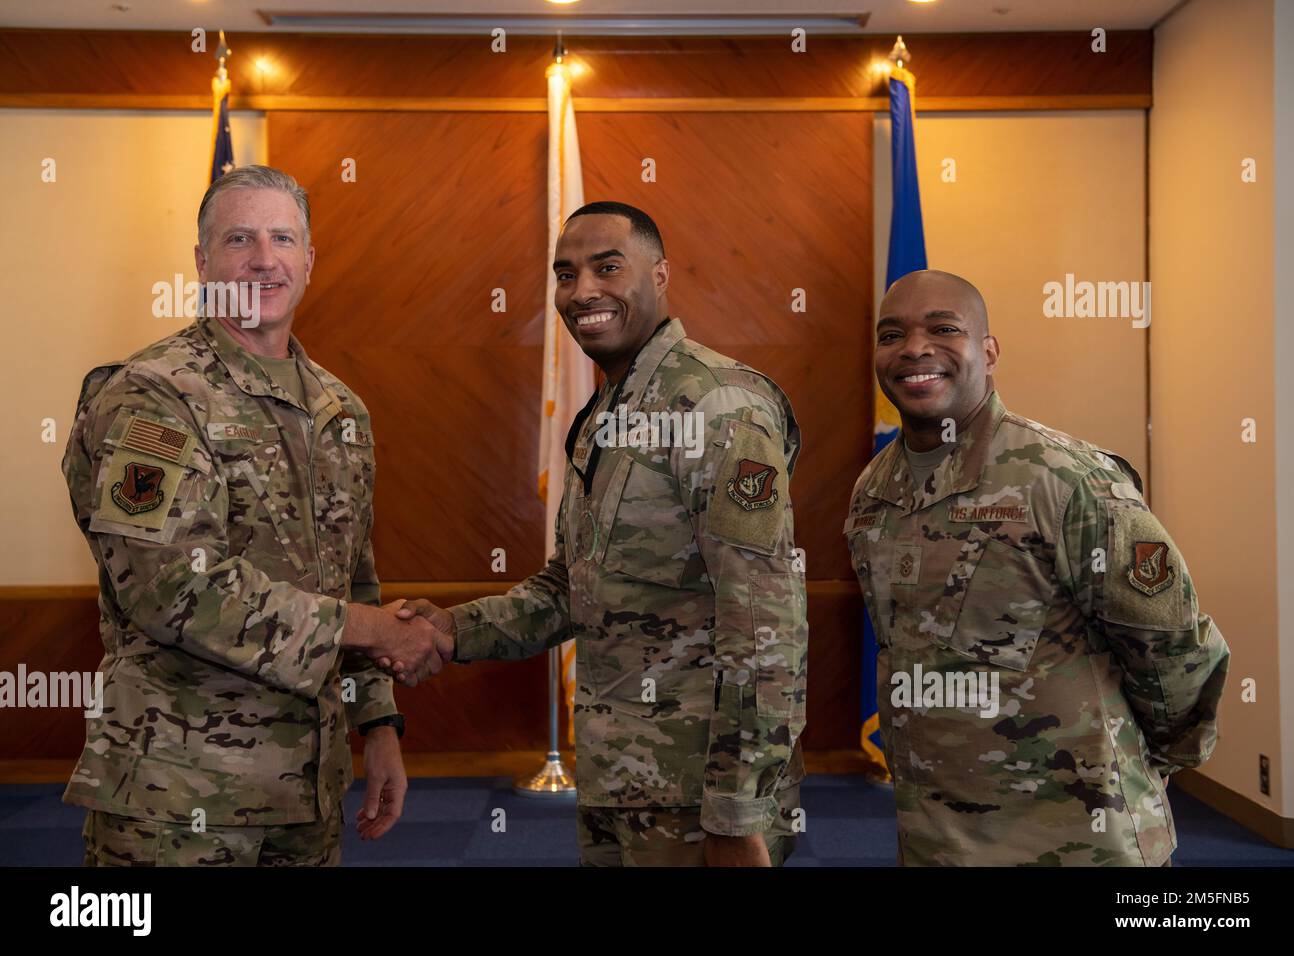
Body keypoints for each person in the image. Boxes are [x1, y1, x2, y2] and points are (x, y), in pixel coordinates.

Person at [61, 165, 451, 866]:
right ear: (202, 262)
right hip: (176, 797)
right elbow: (171, 589)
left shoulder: (341, 410)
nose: (263, 258)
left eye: (282, 238)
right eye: (239, 238)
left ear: (308, 260)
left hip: (307, 791)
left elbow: (353, 581)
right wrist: (367, 627)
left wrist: (378, 722)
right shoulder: (152, 398)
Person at [397, 201, 807, 866]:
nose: (583, 290)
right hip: (621, 785)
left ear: (661, 273)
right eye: (566, 273)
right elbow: (572, 588)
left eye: (607, 267)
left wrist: (738, 814)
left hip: (700, 806)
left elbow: (766, 622)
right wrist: (447, 630)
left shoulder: (717, 405)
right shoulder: (607, 415)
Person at [844, 269, 1229, 866]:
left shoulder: (1066, 479)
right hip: (934, 833)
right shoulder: (875, 489)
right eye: (892, 335)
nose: (915, 348)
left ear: (989, 351)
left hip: (1074, 835)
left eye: (944, 329)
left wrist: (1152, 761)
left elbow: (1174, 648)